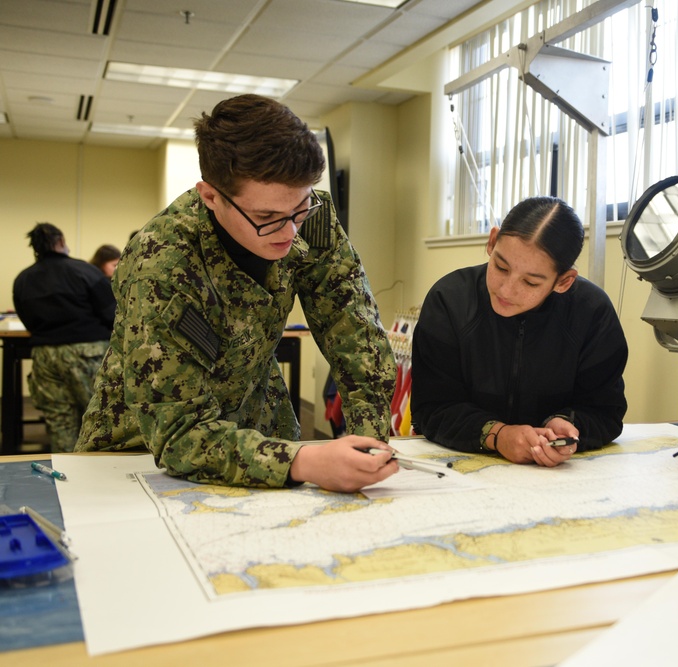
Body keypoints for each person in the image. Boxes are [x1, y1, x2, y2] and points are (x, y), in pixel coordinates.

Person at [75, 94, 399, 492]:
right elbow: (178, 435)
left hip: (257, 430)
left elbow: (354, 329)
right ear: (211, 196)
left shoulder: (307, 214)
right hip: (141, 454)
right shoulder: (162, 264)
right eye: (266, 218)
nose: (289, 232)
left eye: (300, 208)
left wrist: (370, 444)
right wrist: (302, 460)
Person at [411, 196, 628, 467]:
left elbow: (606, 411)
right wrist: (497, 435)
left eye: (530, 282)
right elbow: (432, 408)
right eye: (501, 267)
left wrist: (567, 425)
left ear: (563, 281)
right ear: (492, 242)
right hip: (460, 470)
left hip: (555, 479)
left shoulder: (591, 312)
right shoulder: (450, 300)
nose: (506, 290)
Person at [13, 223, 116, 452]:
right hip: (87, 353)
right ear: (60, 242)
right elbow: (111, 312)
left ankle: (64, 475)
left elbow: (26, 319)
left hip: (45, 356)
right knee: (99, 418)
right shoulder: (84, 271)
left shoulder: (24, 279)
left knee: (60, 423)